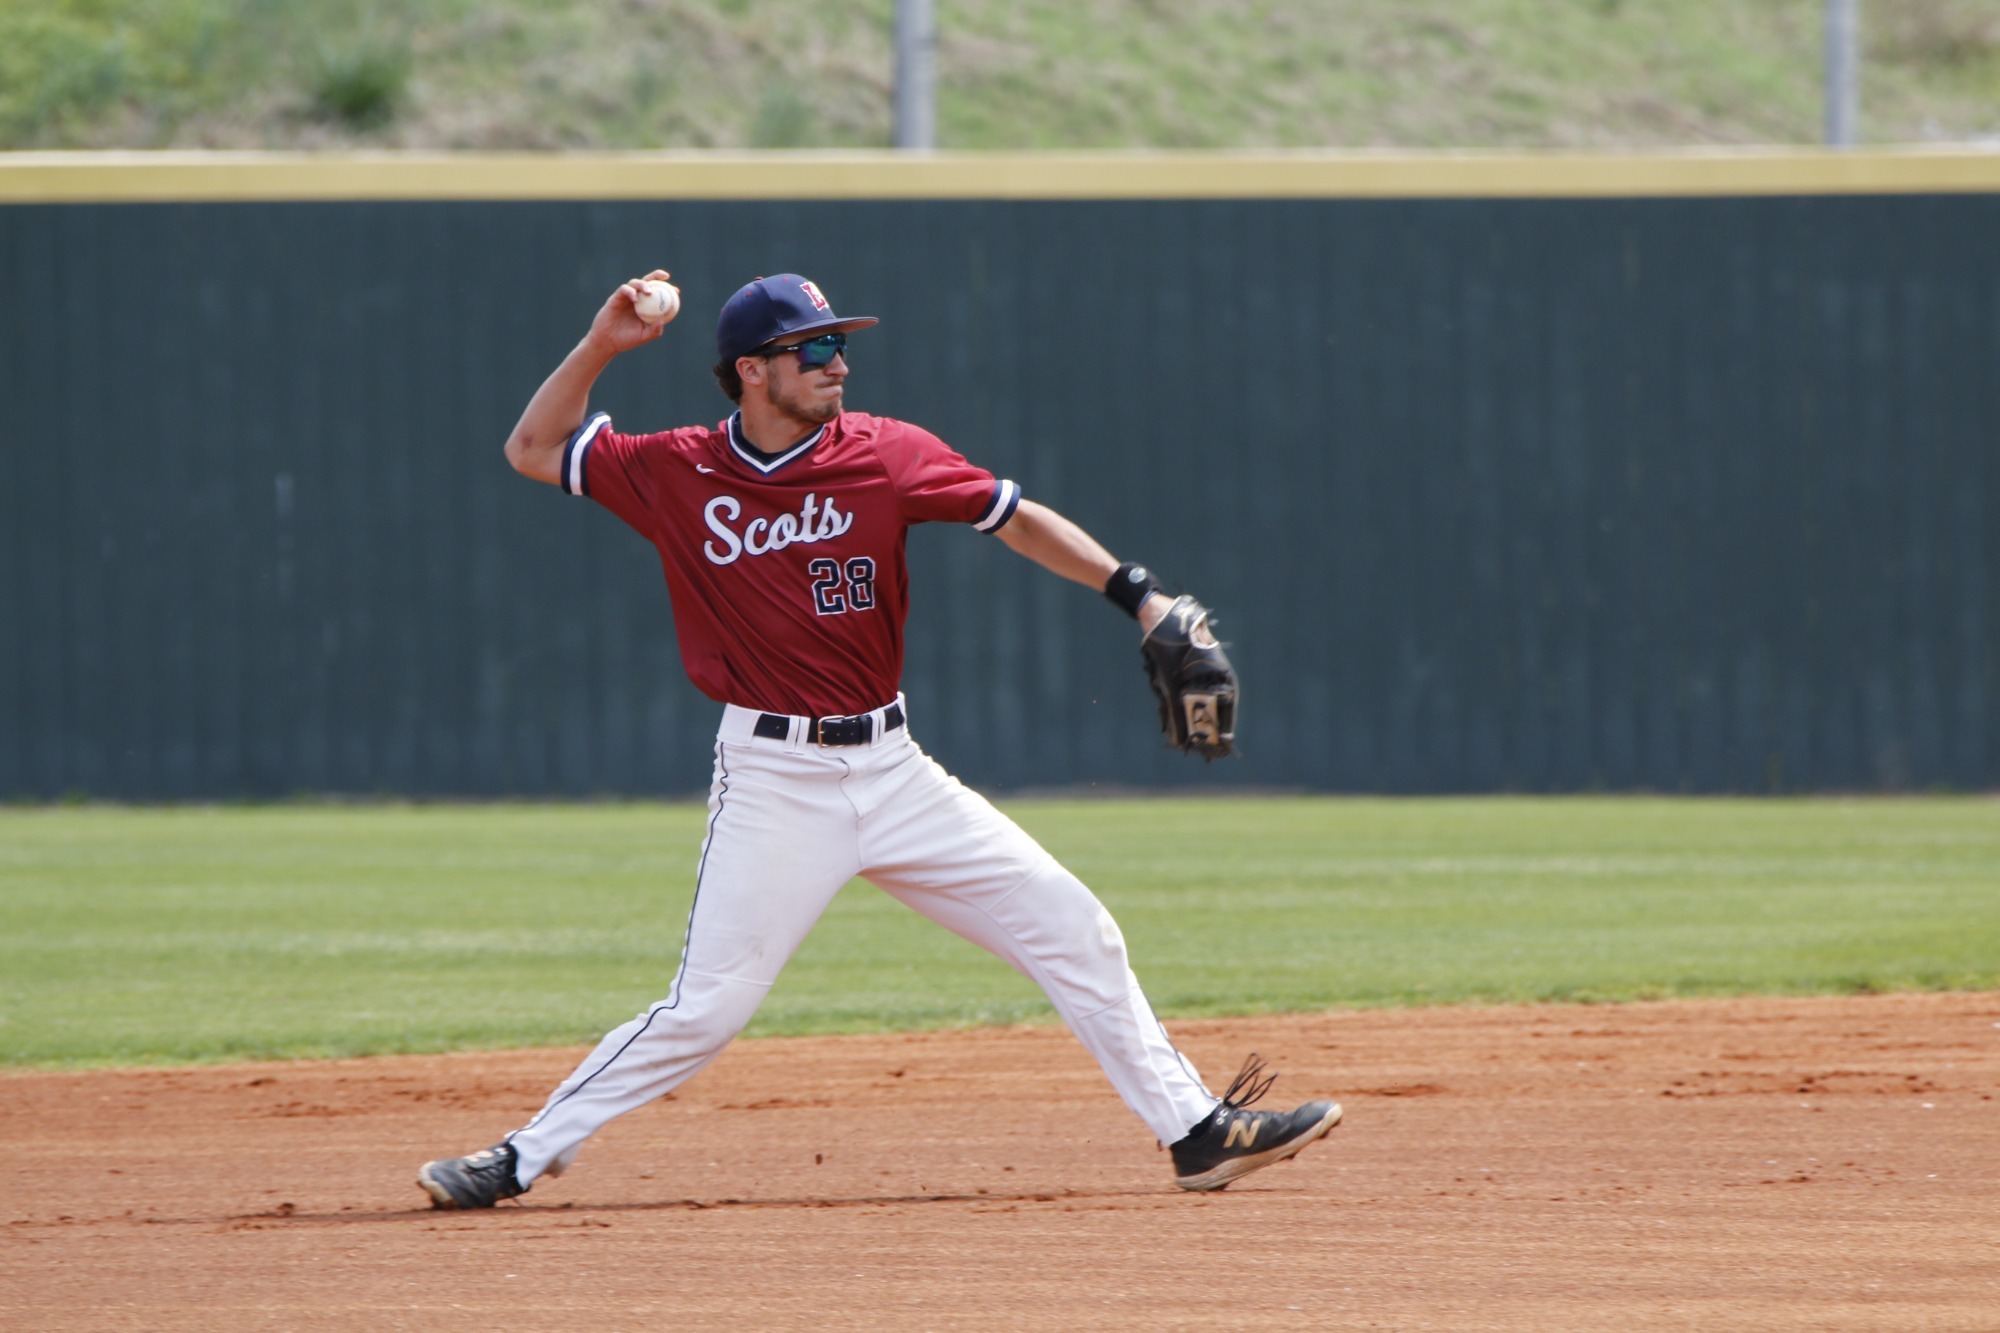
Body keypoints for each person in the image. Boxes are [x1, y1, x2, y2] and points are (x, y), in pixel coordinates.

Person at [416, 271, 1341, 1208]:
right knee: (706, 1009)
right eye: (812, 349)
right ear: (751, 371)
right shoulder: (675, 468)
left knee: (1074, 926)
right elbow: (532, 448)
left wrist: (1140, 595)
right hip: (775, 780)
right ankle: (522, 1154)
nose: (837, 363)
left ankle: (1195, 1131)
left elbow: (1013, 518)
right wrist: (603, 345)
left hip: (896, 772)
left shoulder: (886, 453)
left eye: (839, 344)